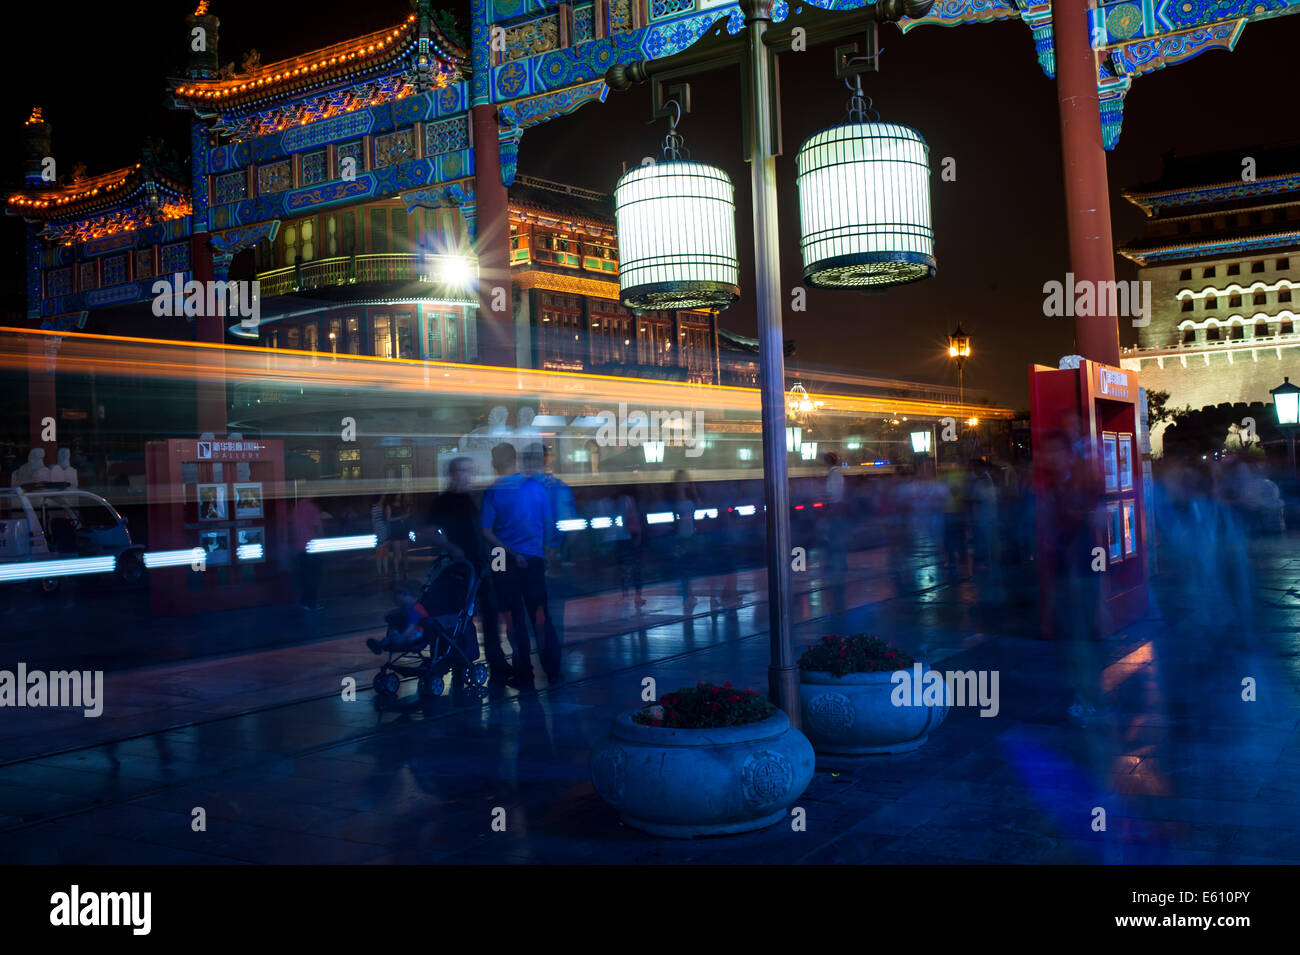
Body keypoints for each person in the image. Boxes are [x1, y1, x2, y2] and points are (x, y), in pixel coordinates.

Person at [480, 443, 560, 688]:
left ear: (494, 463)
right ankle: (553, 671)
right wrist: (546, 552)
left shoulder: (493, 491)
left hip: (506, 562)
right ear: (515, 460)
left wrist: (511, 553)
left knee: (514, 618)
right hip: (534, 559)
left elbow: (485, 531)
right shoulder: (535, 486)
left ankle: (524, 672)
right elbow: (548, 522)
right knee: (540, 616)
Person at [426, 456, 511, 681]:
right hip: (462, 566)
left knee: (489, 614)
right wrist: (450, 546)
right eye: (462, 471)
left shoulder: (477, 496)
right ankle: (457, 658)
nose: (466, 475)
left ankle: (494, 662)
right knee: (459, 614)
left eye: (469, 470)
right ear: (453, 474)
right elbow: (429, 531)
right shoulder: (445, 501)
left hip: (481, 563)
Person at [366, 580, 428, 654]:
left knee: (396, 636)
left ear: (414, 596)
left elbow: (412, 627)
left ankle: (384, 643)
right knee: (393, 622)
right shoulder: (406, 607)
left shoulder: (416, 609)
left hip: (419, 635)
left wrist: (402, 638)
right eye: (400, 594)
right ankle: (382, 643)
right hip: (409, 632)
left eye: (404, 594)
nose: (400, 596)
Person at [291, 495, 327, 611]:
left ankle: (304, 602)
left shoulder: (297, 507)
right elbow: (318, 527)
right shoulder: (312, 508)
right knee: (314, 577)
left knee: (305, 577)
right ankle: (313, 603)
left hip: (300, 546)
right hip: (313, 547)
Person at [386, 492, 412, 583]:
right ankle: (397, 573)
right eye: (397, 494)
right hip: (395, 531)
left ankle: (406, 572)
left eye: (400, 494)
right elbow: (388, 519)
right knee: (396, 553)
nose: (399, 496)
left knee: (405, 553)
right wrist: (401, 517)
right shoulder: (390, 506)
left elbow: (408, 516)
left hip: (403, 530)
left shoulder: (403, 505)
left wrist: (406, 515)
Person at [370, 494, 391, 580]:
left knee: (385, 551)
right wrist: (375, 532)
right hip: (379, 530)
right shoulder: (375, 508)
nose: (383, 498)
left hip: (384, 530)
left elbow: (387, 519)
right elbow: (373, 520)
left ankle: (385, 571)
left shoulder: (384, 507)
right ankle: (380, 572)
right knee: (379, 552)